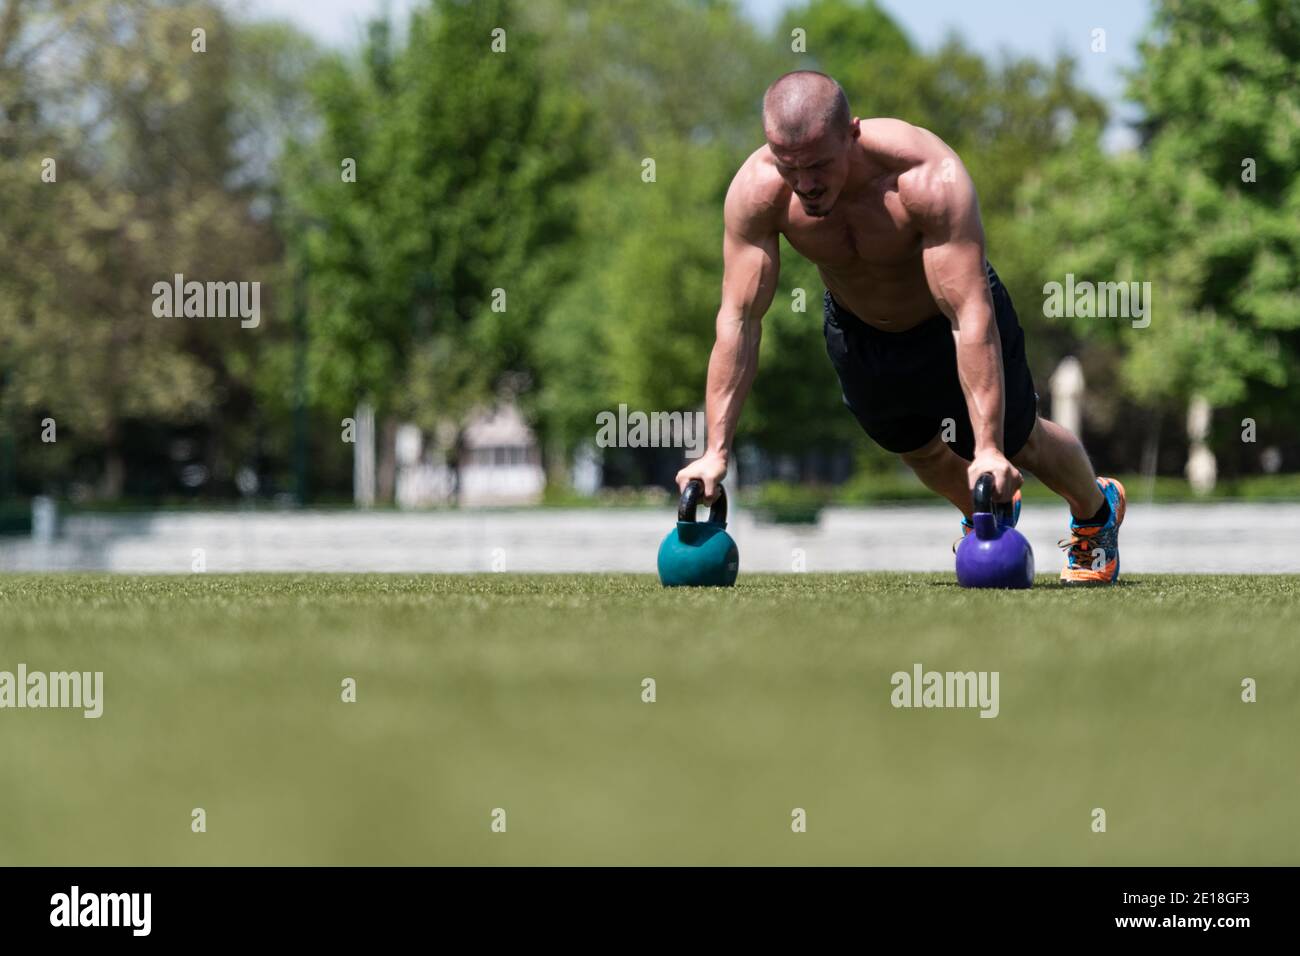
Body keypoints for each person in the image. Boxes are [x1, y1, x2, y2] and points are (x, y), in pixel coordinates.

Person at [675, 70, 1125, 584]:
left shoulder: (926, 177)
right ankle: (988, 512)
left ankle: (1096, 512)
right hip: (859, 330)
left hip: (949, 316)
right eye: (789, 166)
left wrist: (989, 448)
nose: (806, 184)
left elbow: (969, 315)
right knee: (917, 448)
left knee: (1022, 442)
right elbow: (740, 320)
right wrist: (715, 451)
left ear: (853, 133)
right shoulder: (759, 192)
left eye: (819, 164)